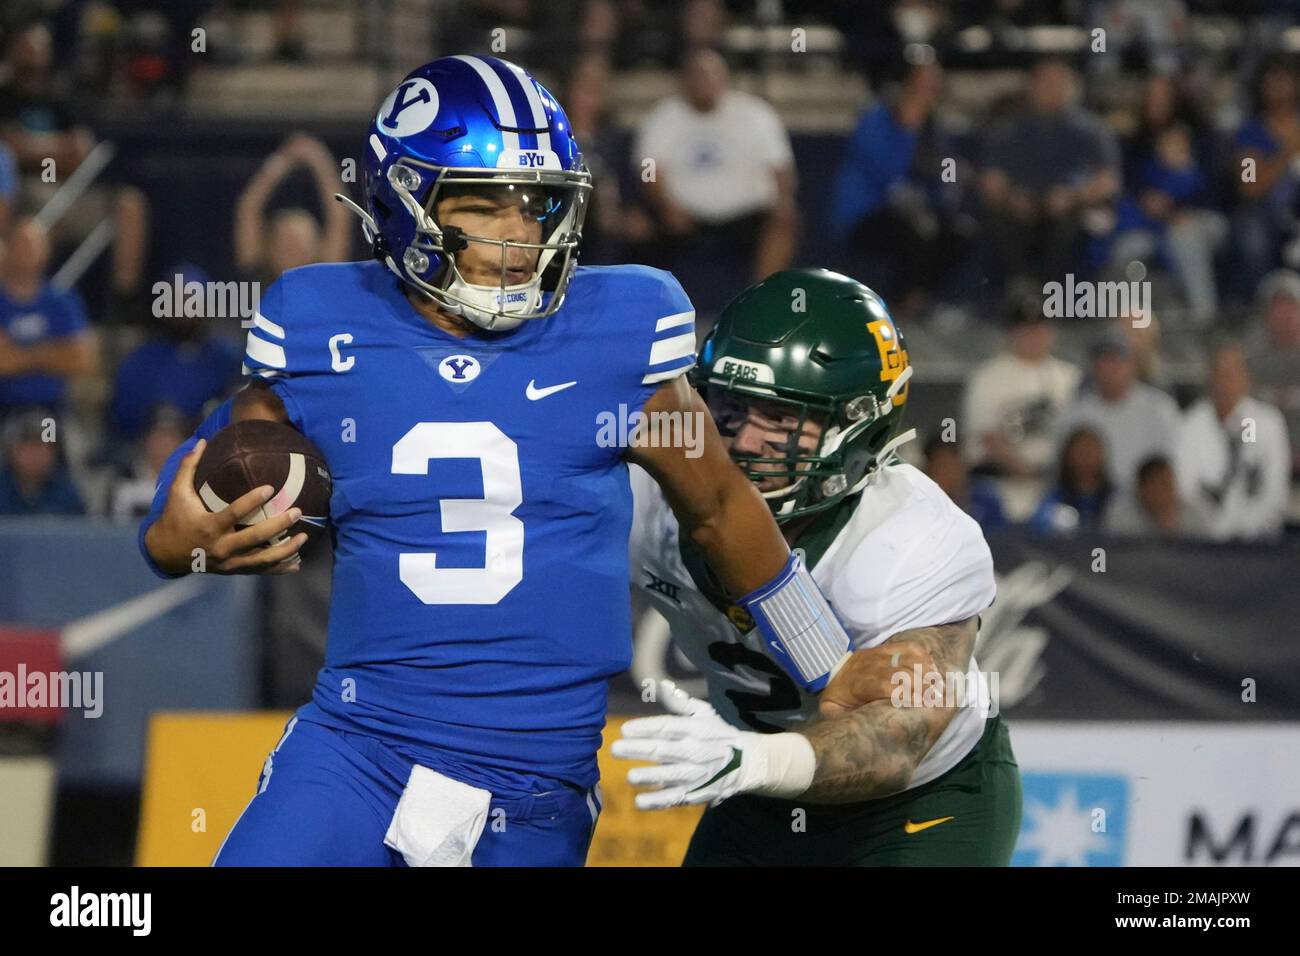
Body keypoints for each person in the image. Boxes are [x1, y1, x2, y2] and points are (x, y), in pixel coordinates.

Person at [139, 56, 868, 867]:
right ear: (403, 200)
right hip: (356, 750)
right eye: (482, 203)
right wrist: (174, 541)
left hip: (535, 784)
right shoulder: (323, 324)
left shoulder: (620, 326)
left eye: (538, 203)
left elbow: (720, 507)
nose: (518, 235)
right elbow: (224, 450)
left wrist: (830, 669)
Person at [616, 269, 1021, 865]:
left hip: (919, 803)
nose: (744, 440)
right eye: (729, 408)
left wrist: (754, 759)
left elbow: (898, 737)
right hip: (759, 783)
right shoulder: (649, 496)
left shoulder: (913, 539)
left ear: (859, 426)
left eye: (780, 420)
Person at [633, 48, 797, 315]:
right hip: (680, 214)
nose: (704, 82)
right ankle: (648, 311)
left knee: (784, 220)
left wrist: (783, 202)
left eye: (711, 75)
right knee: (637, 226)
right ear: (684, 81)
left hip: (745, 214)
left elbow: (780, 168)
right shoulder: (663, 116)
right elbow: (648, 171)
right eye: (697, 75)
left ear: (725, 78)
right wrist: (665, 205)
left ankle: (764, 305)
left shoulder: (755, 114)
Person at [978, 56, 1120, 287]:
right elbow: (991, 182)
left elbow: (1109, 180)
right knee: (996, 222)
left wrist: (1074, 196)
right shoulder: (1009, 130)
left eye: (1059, 84)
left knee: (1080, 225)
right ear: (1031, 87)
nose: (1052, 91)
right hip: (1022, 208)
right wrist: (1011, 199)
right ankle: (1020, 295)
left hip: (1074, 209)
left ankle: (1055, 301)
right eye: (1045, 84)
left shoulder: (1091, 130)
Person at [106, 262, 241, 444]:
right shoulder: (142, 358)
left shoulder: (226, 358)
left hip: (208, 449)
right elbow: (123, 416)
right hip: (146, 452)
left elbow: (235, 411)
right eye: (175, 299)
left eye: (191, 299)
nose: (183, 308)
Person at [1174, 341, 1291, 540]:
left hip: (1257, 541)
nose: (1224, 382)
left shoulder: (1265, 422)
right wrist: (1215, 530)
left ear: (1247, 379)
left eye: (1232, 374)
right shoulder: (1191, 424)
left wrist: (1243, 530)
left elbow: (1274, 491)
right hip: (1203, 540)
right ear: (1208, 378)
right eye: (1218, 374)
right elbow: (1185, 488)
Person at [960, 299, 1081, 480]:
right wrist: (1024, 472)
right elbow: (985, 436)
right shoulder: (987, 377)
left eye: (1040, 327)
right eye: (1026, 328)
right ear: (1011, 332)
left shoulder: (1070, 377)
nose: (1034, 335)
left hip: (1057, 480)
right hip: (996, 477)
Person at [1058, 329, 1181, 492]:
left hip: (1146, 501)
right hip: (1091, 502)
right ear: (1094, 366)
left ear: (1133, 364)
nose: (1112, 368)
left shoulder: (1160, 408)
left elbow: (1172, 465)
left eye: (1119, 359)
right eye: (1105, 360)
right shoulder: (1076, 412)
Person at [0, 214, 97, 417]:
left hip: (51, 409)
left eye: (33, 244)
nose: (27, 251)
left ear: (46, 250)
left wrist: (22, 354)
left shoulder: (62, 300)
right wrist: (52, 352)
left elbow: (81, 359)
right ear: (8, 248)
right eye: (21, 244)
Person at [233, 131, 352, 285]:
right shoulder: (257, 273)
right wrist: (281, 161)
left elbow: (340, 217)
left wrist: (319, 158)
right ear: (269, 249)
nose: (293, 253)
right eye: (286, 246)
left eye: (300, 246)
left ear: (317, 248)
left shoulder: (323, 278)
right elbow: (248, 209)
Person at [0, 407, 83, 516]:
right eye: (29, 447)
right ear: (11, 451)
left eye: (43, 447)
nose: (35, 455)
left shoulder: (67, 492)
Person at [1030, 427, 1114, 534]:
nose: (1086, 458)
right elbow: (1040, 531)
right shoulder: (1052, 499)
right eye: (1080, 452)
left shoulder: (1117, 498)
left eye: (1091, 451)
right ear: (1067, 456)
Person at [1104, 454, 1209, 537]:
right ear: (1141, 490)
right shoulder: (1121, 515)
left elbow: (1204, 555)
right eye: (1159, 487)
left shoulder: (1193, 514)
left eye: (1169, 486)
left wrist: (1169, 524)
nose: (1166, 494)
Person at [923, 434, 1007, 531]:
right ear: (930, 470)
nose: (950, 474)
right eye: (942, 468)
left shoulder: (986, 498)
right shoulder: (923, 503)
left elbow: (999, 537)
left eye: (953, 466)